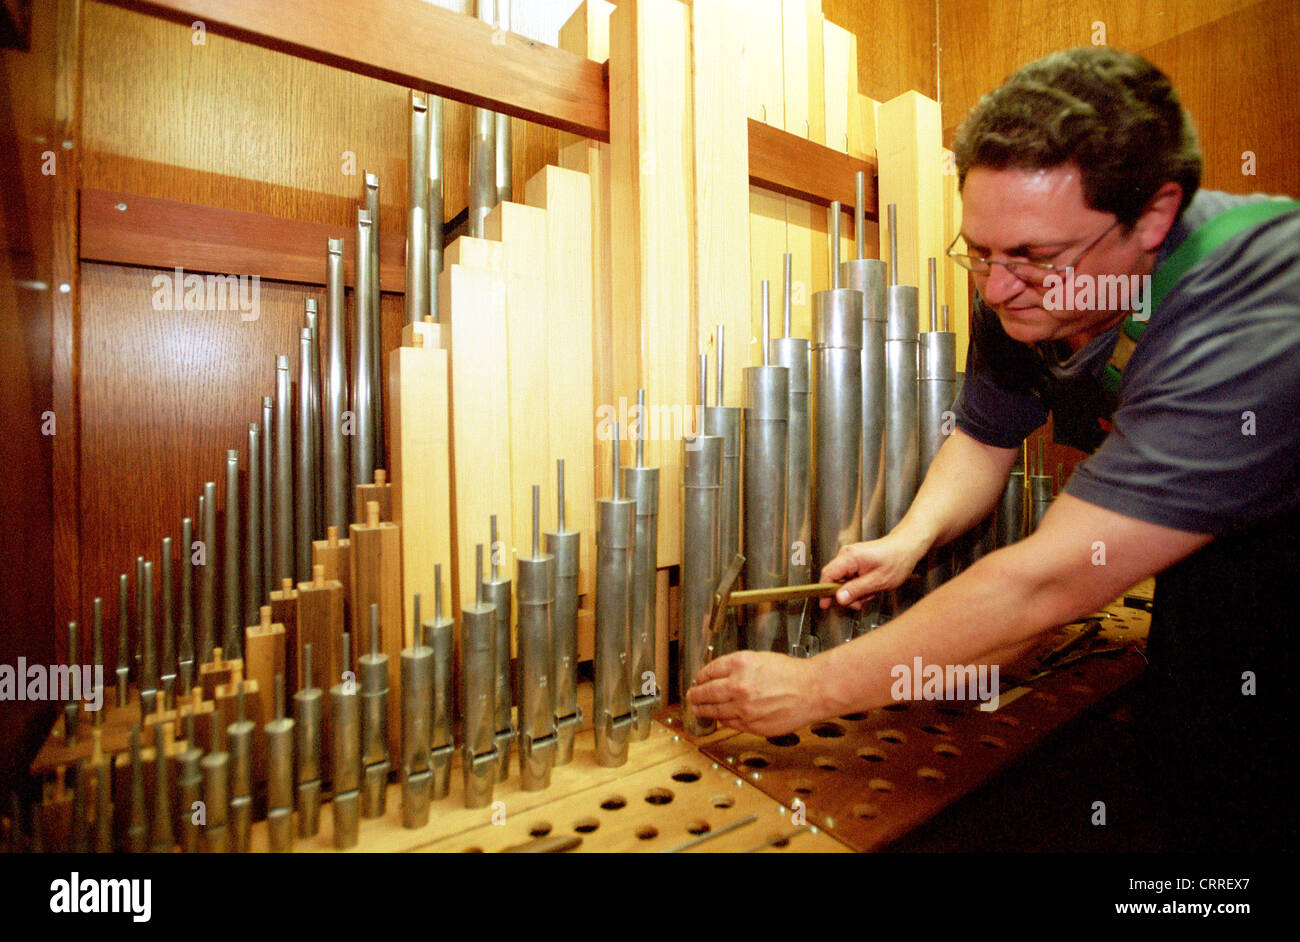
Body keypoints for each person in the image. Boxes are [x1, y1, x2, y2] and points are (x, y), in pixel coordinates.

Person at [686, 46, 1299, 851]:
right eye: (979, 252)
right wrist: (909, 539)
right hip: (1206, 555)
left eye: (1035, 261)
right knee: (1183, 753)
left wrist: (815, 686)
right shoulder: (1016, 283)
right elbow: (982, 437)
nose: (997, 287)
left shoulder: (1252, 308)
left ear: (1152, 217)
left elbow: (1043, 588)